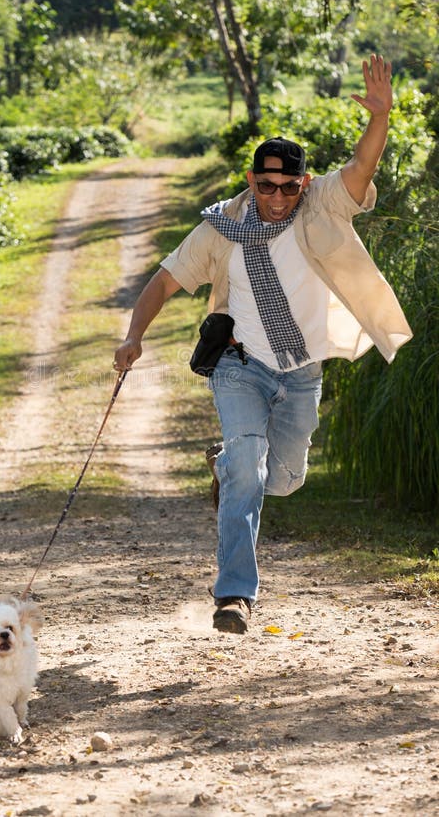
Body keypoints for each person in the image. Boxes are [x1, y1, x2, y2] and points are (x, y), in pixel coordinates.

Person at [112, 55, 412, 635]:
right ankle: (234, 595)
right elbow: (164, 280)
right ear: (252, 180)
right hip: (240, 367)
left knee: (284, 480)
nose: (277, 195)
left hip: (301, 370)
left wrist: (380, 117)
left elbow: (360, 166)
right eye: (266, 184)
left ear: (303, 183)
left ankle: (227, 474)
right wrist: (133, 336)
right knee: (250, 465)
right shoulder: (222, 227)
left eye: (288, 185)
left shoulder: (323, 203)